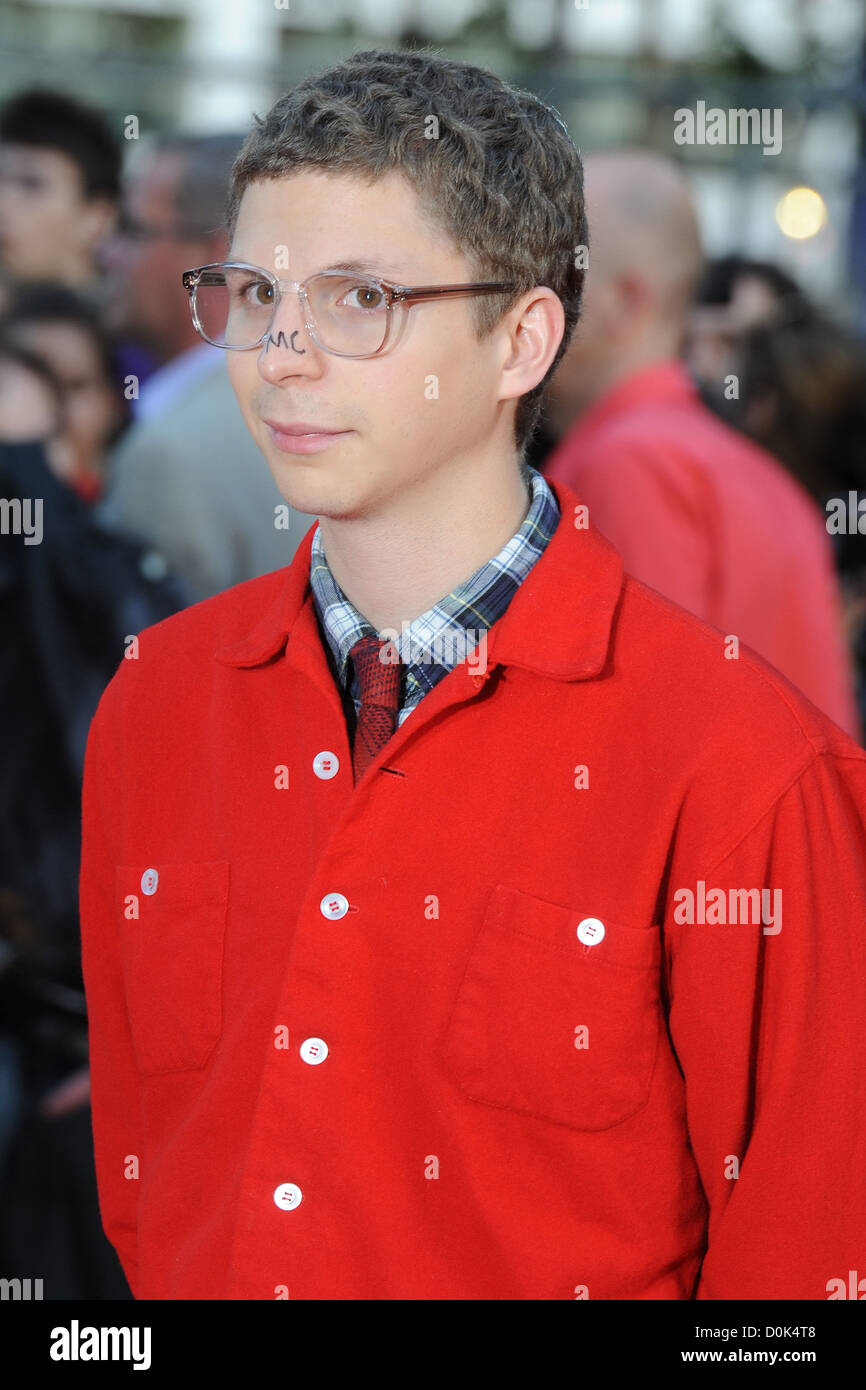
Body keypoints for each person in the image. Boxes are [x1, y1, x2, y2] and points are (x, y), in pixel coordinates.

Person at [79, 47, 866, 1301]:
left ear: (519, 340)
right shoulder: (155, 701)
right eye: (249, 292)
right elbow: (145, 1182)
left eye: (358, 300)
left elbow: (803, 1264)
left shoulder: (746, 768)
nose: (278, 353)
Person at [542, 151, 861, 744]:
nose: (513, 300)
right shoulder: (737, 467)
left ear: (623, 301)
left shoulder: (631, 464)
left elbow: (634, 743)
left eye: (545, 273)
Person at [94, 132, 315, 602]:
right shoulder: (322, 401)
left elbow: (149, 666)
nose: (106, 253)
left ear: (218, 260)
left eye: (133, 229)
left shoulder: (168, 453)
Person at [3, 282, 130, 503]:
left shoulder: (140, 511)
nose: (57, 409)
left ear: (113, 402)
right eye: (36, 383)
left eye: (76, 386)